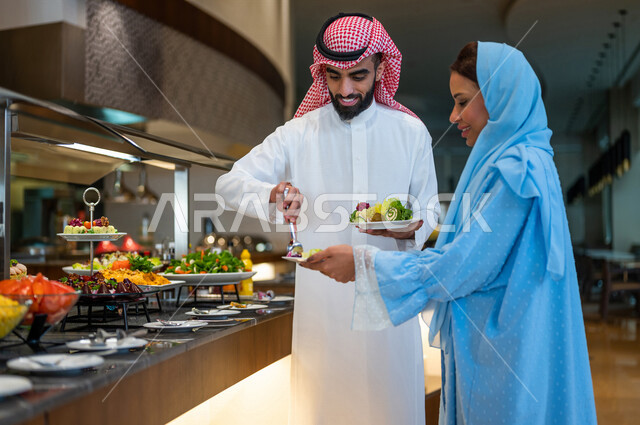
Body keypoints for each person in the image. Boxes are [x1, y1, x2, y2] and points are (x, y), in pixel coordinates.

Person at [304, 41, 597, 424]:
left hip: (505, 357)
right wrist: (410, 234)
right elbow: (487, 250)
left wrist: (362, 263)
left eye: (462, 101)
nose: (454, 115)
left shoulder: (516, 171)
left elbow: (462, 266)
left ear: (499, 98)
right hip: (514, 345)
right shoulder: (524, 160)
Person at [215, 13, 440, 425]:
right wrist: (272, 193)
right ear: (321, 72)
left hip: (390, 310)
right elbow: (228, 184)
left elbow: (428, 212)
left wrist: (404, 225)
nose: (346, 89)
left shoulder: (411, 133)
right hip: (324, 318)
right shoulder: (297, 133)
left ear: (380, 68)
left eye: (358, 75)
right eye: (334, 77)